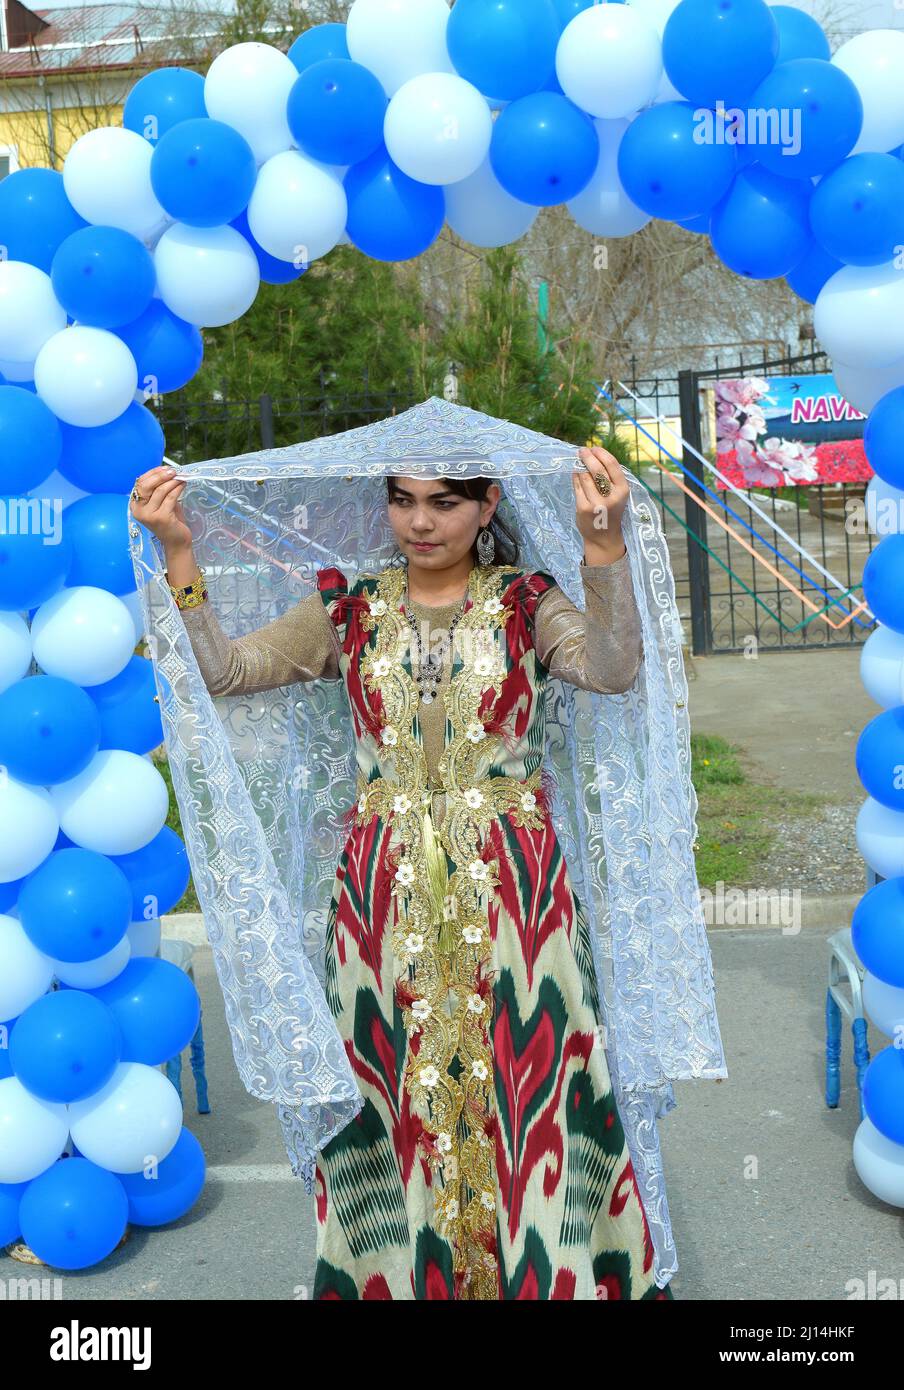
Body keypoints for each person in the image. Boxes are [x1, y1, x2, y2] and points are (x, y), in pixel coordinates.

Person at [129, 443, 675, 1301]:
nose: (421, 522)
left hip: (515, 894)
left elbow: (612, 670)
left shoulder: (526, 602)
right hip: (382, 894)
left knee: (535, 1088)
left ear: (487, 505)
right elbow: (225, 672)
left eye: (445, 502)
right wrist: (179, 553)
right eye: (404, 500)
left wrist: (602, 548)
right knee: (392, 1094)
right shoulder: (349, 609)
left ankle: (557, 1275)